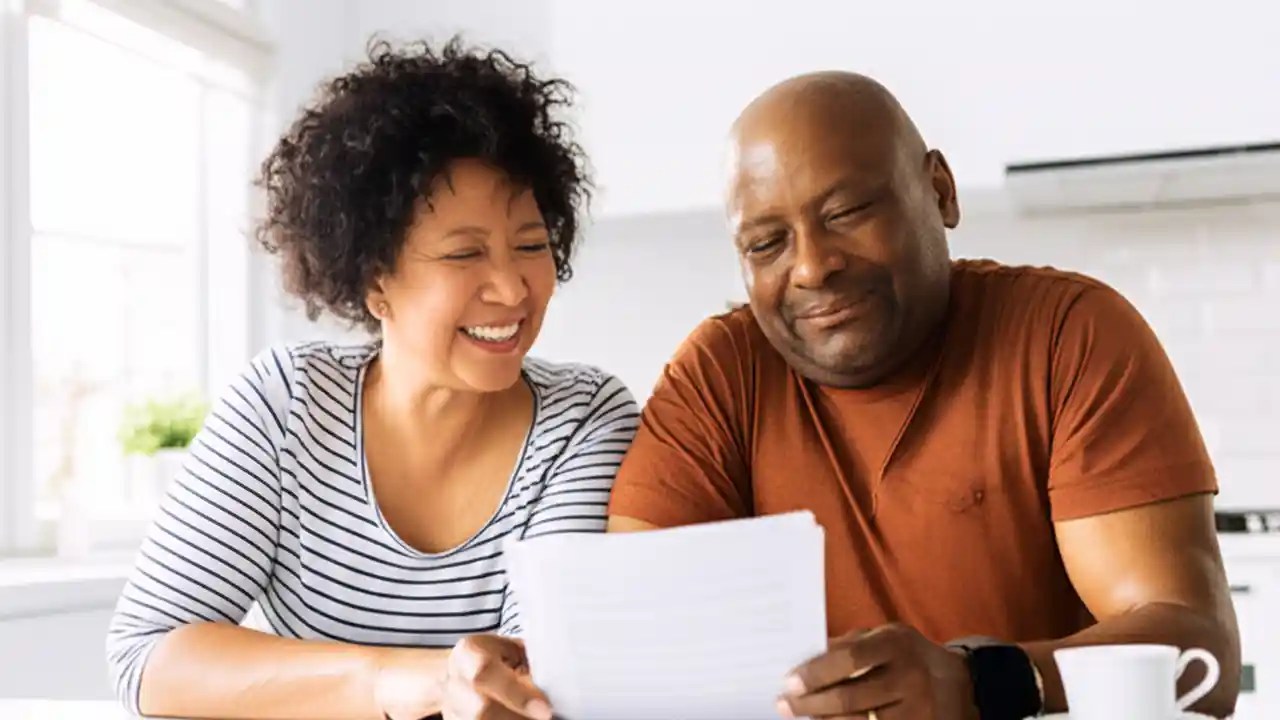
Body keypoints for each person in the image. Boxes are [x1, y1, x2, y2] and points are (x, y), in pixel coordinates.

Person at [602, 73, 1241, 719]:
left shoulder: (1066, 335)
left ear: (939, 192)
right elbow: (630, 641)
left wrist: (976, 682)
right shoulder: (720, 375)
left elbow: (1197, 654)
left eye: (846, 214)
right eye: (767, 243)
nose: (812, 266)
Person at [105, 38, 638, 720]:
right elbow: (147, 657)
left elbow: (537, 684)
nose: (512, 287)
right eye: (464, 252)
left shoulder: (586, 420)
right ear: (373, 279)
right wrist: (406, 681)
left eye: (531, 245)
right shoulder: (286, 404)